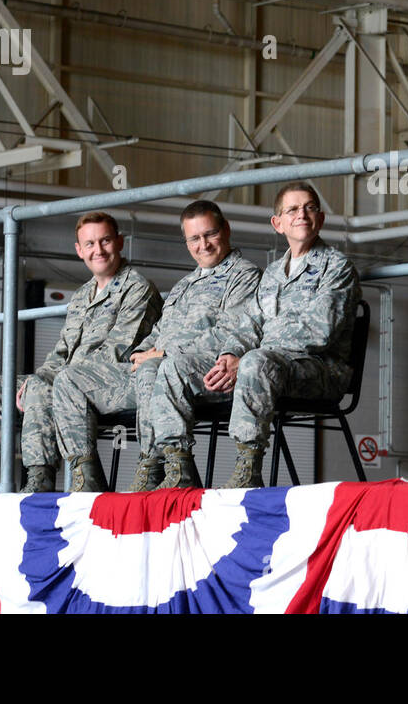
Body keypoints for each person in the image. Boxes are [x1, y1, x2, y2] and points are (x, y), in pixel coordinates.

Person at [144, 181, 361, 489]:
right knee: (173, 368)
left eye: (310, 207)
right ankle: (178, 469)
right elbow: (249, 323)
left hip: (319, 370)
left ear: (321, 218)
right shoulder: (273, 273)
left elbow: (319, 332)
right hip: (265, 367)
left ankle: (248, 468)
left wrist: (249, 358)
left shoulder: (336, 267)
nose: (302, 214)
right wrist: (230, 355)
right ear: (278, 223)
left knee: (256, 362)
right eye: (292, 209)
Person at [50, 201, 260, 492]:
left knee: (154, 367)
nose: (203, 245)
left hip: (203, 376)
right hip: (154, 374)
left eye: (209, 235)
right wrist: (142, 351)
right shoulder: (185, 284)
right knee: (70, 380)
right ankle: (86, 480)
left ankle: (158, 467)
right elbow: (159, 331)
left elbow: (232, 332)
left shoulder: (244, 276)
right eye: (194, 238)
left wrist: (164, 355)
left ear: (226, 230)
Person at [0, 212, 161, 496]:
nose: (98, 250)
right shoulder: (82, 295)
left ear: (120, 242)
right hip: (69, 378)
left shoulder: (137, 288)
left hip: (112, 382)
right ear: (79, 250)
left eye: (105, 241)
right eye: (89, 244)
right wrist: (37, 378)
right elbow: (61, 350)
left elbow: (118, 350)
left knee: (46, 385)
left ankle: (39, 480)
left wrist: (53, 380)